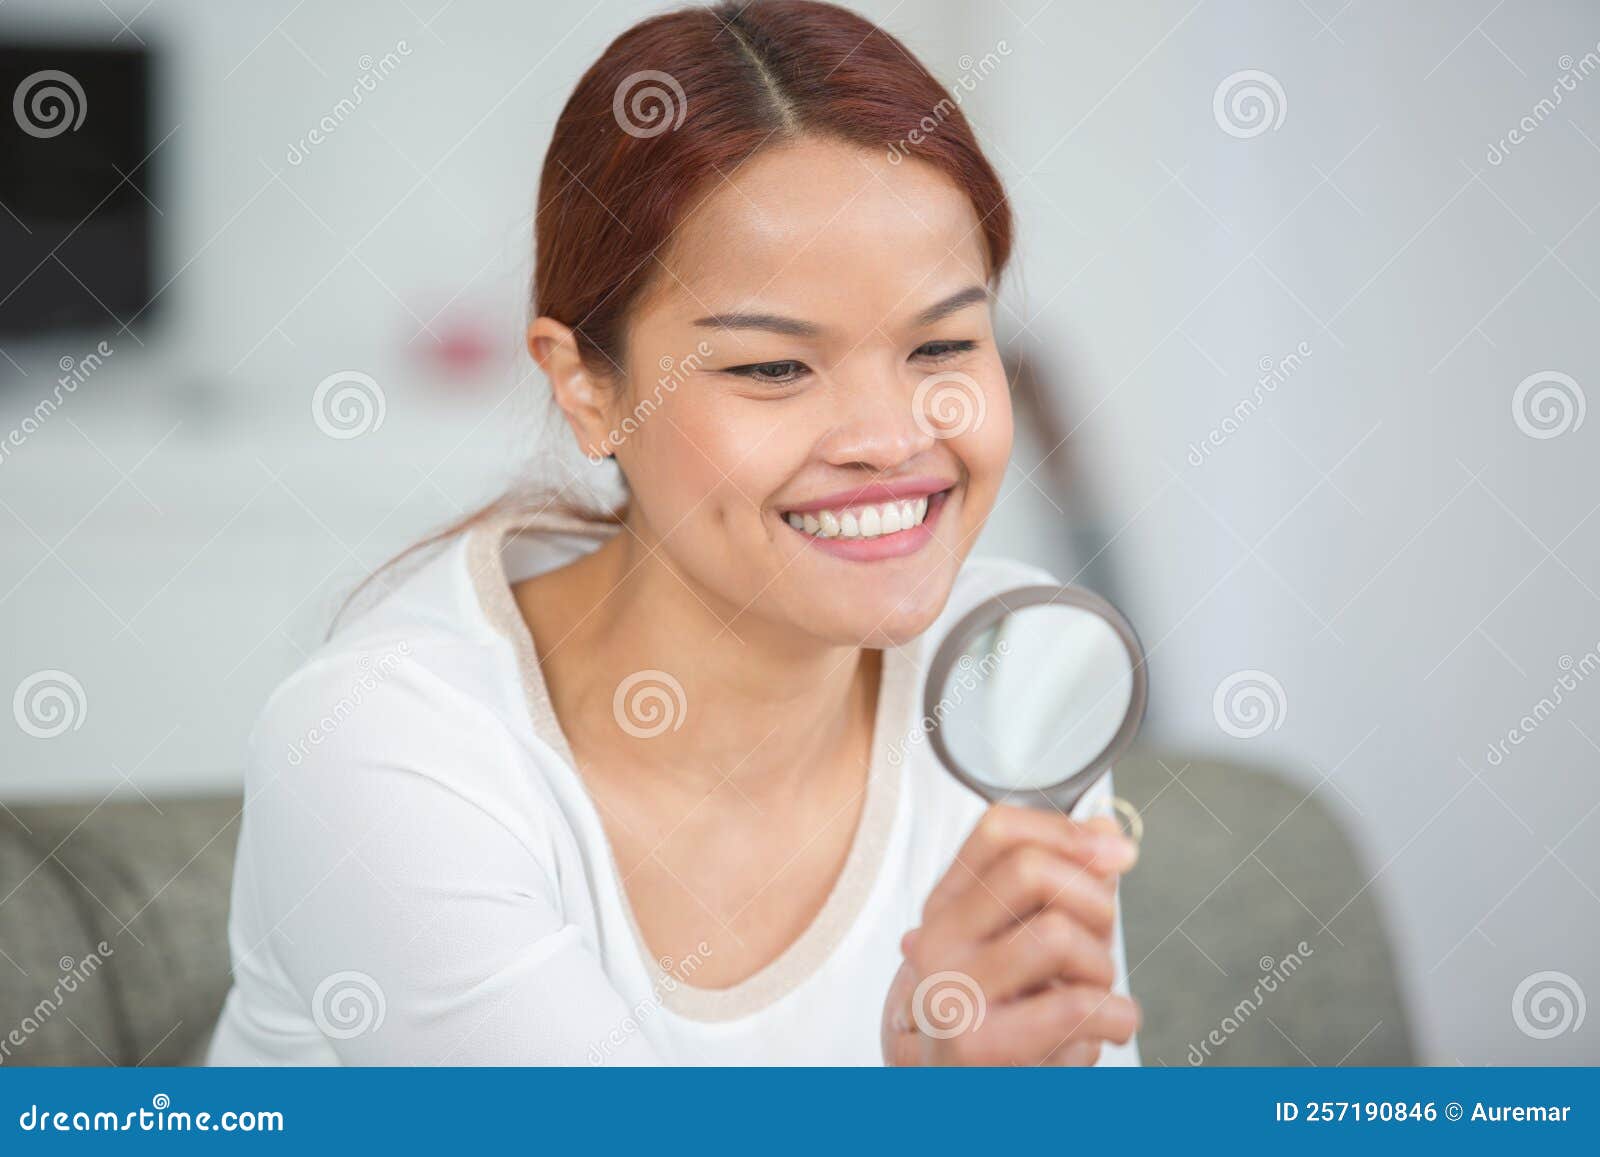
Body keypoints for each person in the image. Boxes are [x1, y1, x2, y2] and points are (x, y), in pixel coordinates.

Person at [207, 0, 1140, 1066]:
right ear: (586, 387)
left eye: (941, 345)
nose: (890, 438)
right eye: (772, 367)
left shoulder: (1007, 666)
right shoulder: (383, 746)